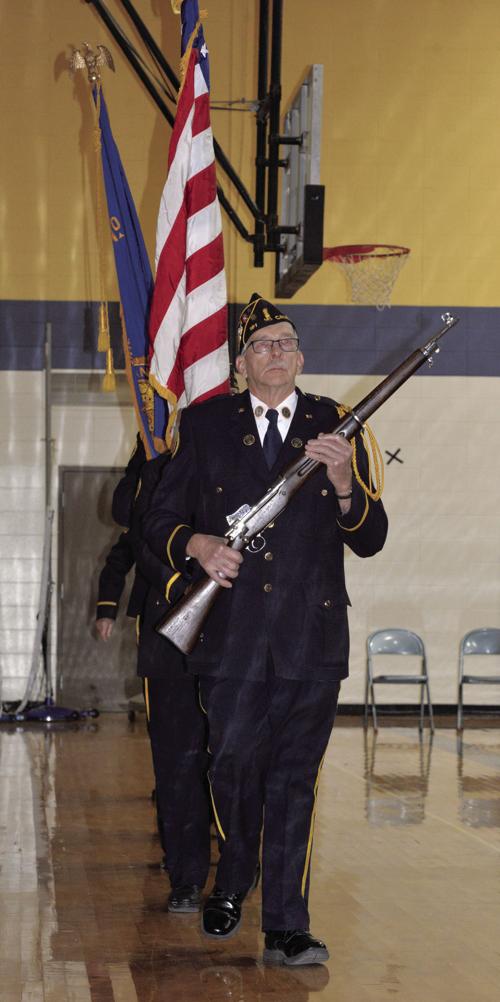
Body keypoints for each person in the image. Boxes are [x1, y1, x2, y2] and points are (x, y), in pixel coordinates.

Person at [144, 293, 388, 965]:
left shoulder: (336, 425)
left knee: (293, 778)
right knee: (231, 766)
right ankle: (234, 875)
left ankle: (286, 923)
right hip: (230, 637)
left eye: (284, 342)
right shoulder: (206, 425)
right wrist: (196, 545)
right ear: (241, 364)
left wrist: (342, 480)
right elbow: (158, 518)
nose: (274, 352)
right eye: (261, 345)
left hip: (310, 638)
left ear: (301, 357)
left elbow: (370, 538)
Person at [95, 438, 212, 912]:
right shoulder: (152, 458)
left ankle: (239, 861)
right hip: (168, 622)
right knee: (176, 758)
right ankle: (184, 870)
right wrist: (147, 454)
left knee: (237, 753)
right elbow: (128, 519)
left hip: (236, 618)